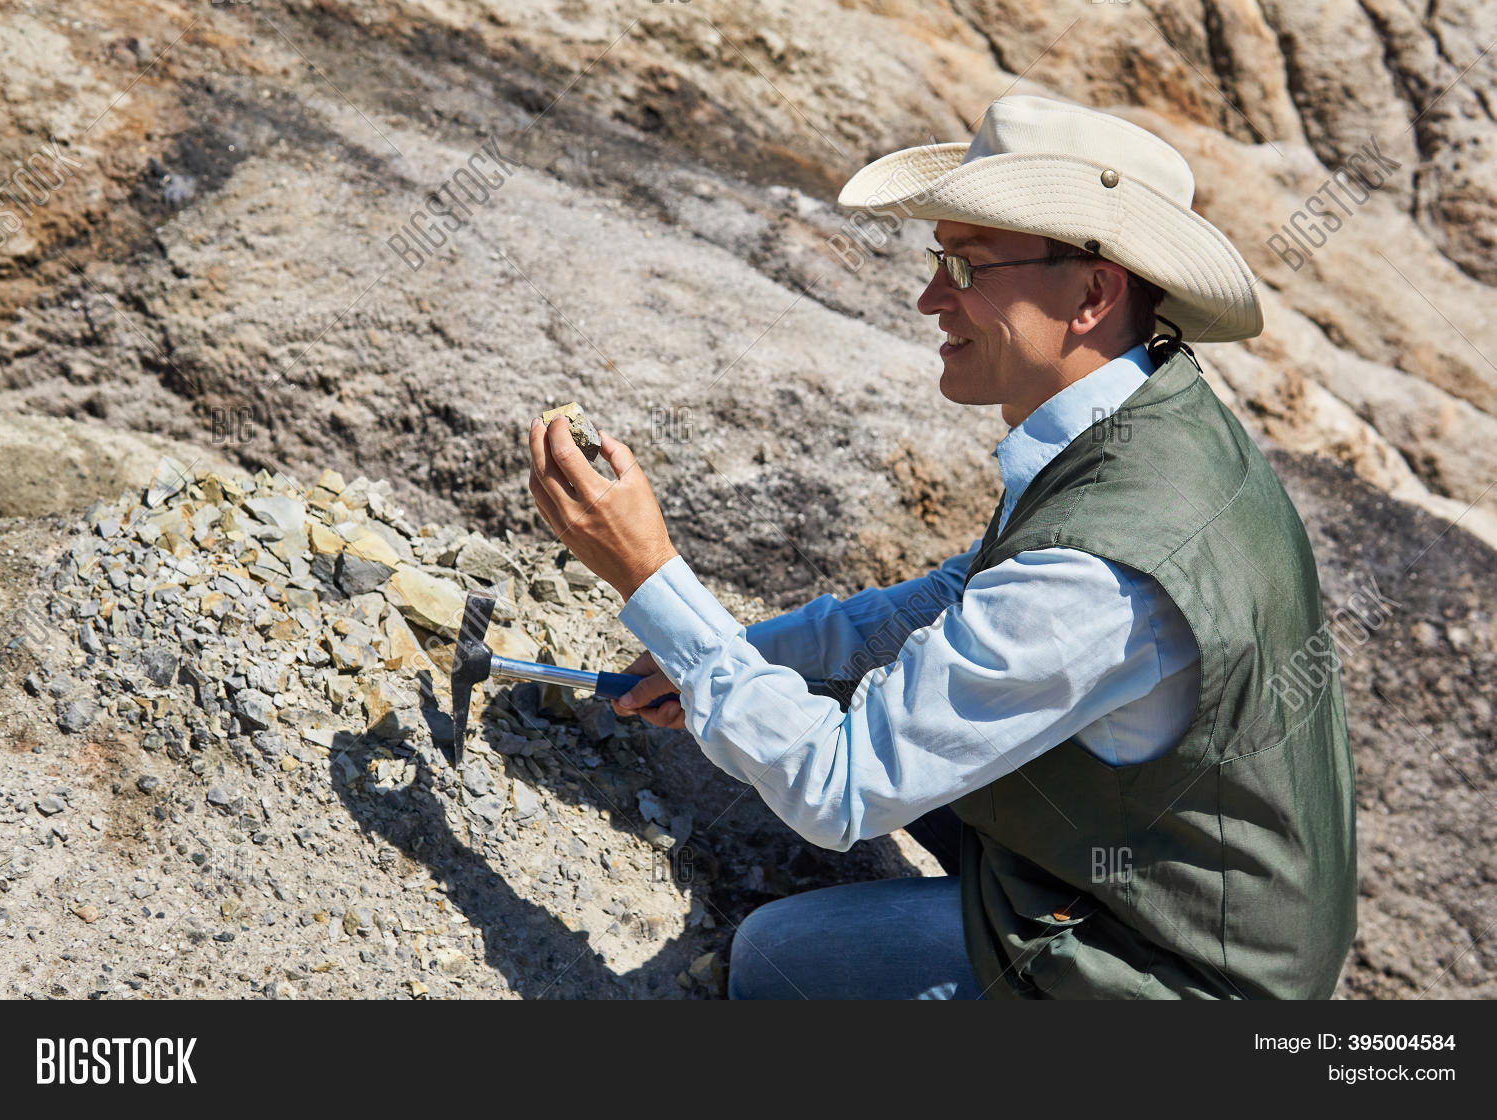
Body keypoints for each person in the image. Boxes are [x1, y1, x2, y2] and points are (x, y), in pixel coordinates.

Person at [525, 94, 1356, 999]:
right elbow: (963, 598)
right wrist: (738, 656)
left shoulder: (1106, 569)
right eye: (938, 258)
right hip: (1150, 880)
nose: (930, 297)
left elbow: (838, 788)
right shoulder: (1142, 416)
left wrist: (651, 575)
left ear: (1091, 293)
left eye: (967, 266)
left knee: (774, 960)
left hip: (1178, 971)